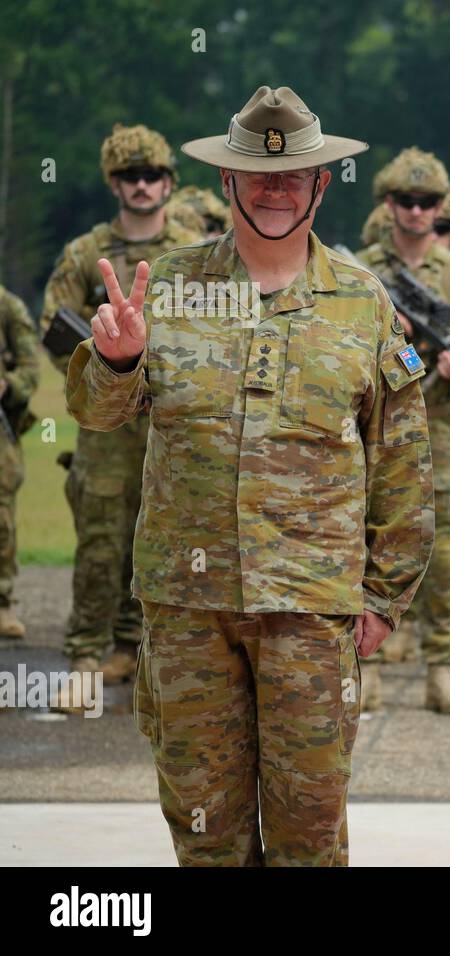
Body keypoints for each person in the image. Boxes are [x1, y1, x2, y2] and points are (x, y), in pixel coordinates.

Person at [65, 85, 434, 865]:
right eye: (257, 175)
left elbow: (402, 459)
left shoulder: (364, 304)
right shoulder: (165, 288)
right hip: (187, 613)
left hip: (312, 613)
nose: (275, 188)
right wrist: (116, 358)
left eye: (294, 175)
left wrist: (385, 598)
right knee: (207, 840)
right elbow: (97, 414)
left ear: (321, 185)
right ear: (228, 183)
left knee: (309, 841)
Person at [41, 124, 201, 697]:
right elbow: (52, 327)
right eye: (130, 175)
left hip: (172, 420)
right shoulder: (86, 254)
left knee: (171, 538)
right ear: (114, 182)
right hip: (107, 421)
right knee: (101, 537)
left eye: (152, 174)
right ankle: (86, 655)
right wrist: (107, 349)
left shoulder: (193, 251)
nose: (142, 185)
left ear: (169, 181)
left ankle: (138, 649)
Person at [357, 148, 450, 714]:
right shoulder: (363, 271)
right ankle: (364, 668)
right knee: (367, 550)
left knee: (445, 558)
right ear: (388, 204)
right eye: (405, 201)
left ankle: (442, 672)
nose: (417, 212)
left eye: (429, 203)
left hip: (442, 431)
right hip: (374, 430)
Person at [0, 286, 40, 639]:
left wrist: (6, 385)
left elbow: (31, 370)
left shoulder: (8, 307)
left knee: (1, 520)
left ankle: (1, 601)